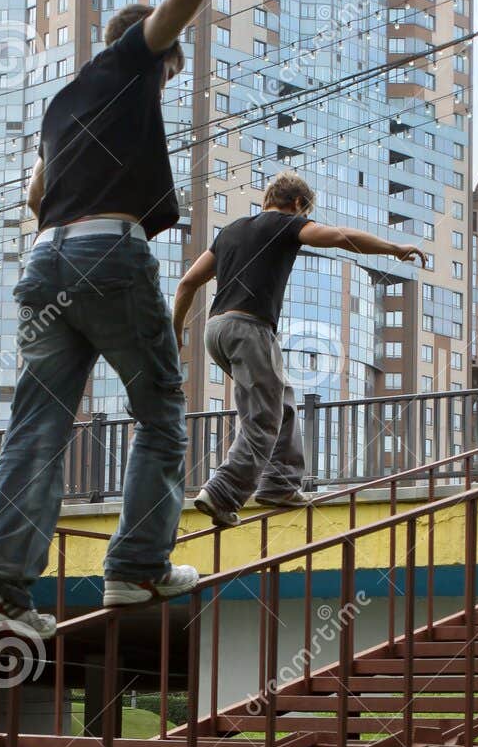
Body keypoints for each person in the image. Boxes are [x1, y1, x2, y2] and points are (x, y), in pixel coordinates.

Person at [0, 0, 286, 635]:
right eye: (169, 73)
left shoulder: (62, 102)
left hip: (47, 263)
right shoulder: (134, 59)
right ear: (154, 54)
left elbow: (37, 197)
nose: (166, 85)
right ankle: (136, 570)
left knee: (37, 425)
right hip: (109, 255)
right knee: (162, 414)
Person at [172, 172, 426, 527]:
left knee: (281, 402)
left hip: (216, 331)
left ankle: (279, 483)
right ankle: (222, 492)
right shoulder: (287, 223)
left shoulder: (230, 232)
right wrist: (393, 249)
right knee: (261, 419)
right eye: (305, 214)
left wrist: (177, 332)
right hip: (250, 329)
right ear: (296, 205)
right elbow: (340, 238)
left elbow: (187, 283)